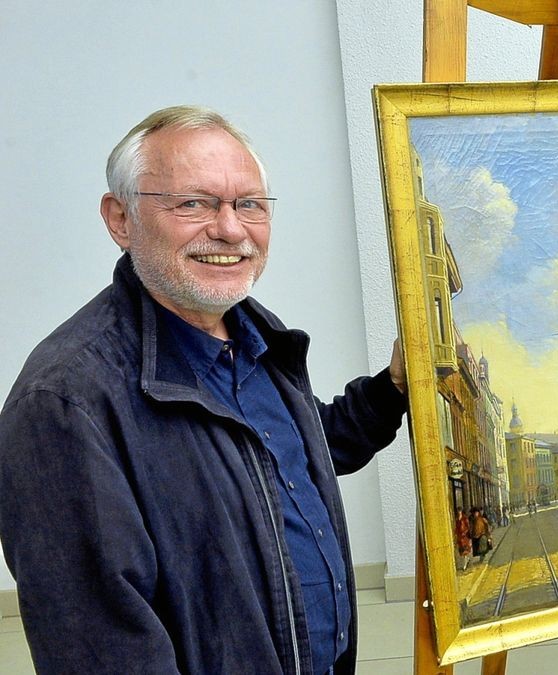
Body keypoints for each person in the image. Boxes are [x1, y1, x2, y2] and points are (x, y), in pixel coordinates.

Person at [0, 105, 409, 674]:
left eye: (249, 204)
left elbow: (297, 457)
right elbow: (100, 647)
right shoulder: (67, 401)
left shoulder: (253, 338)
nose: (230, 229)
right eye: (193, 203)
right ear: (120, 219)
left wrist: (393, 387)